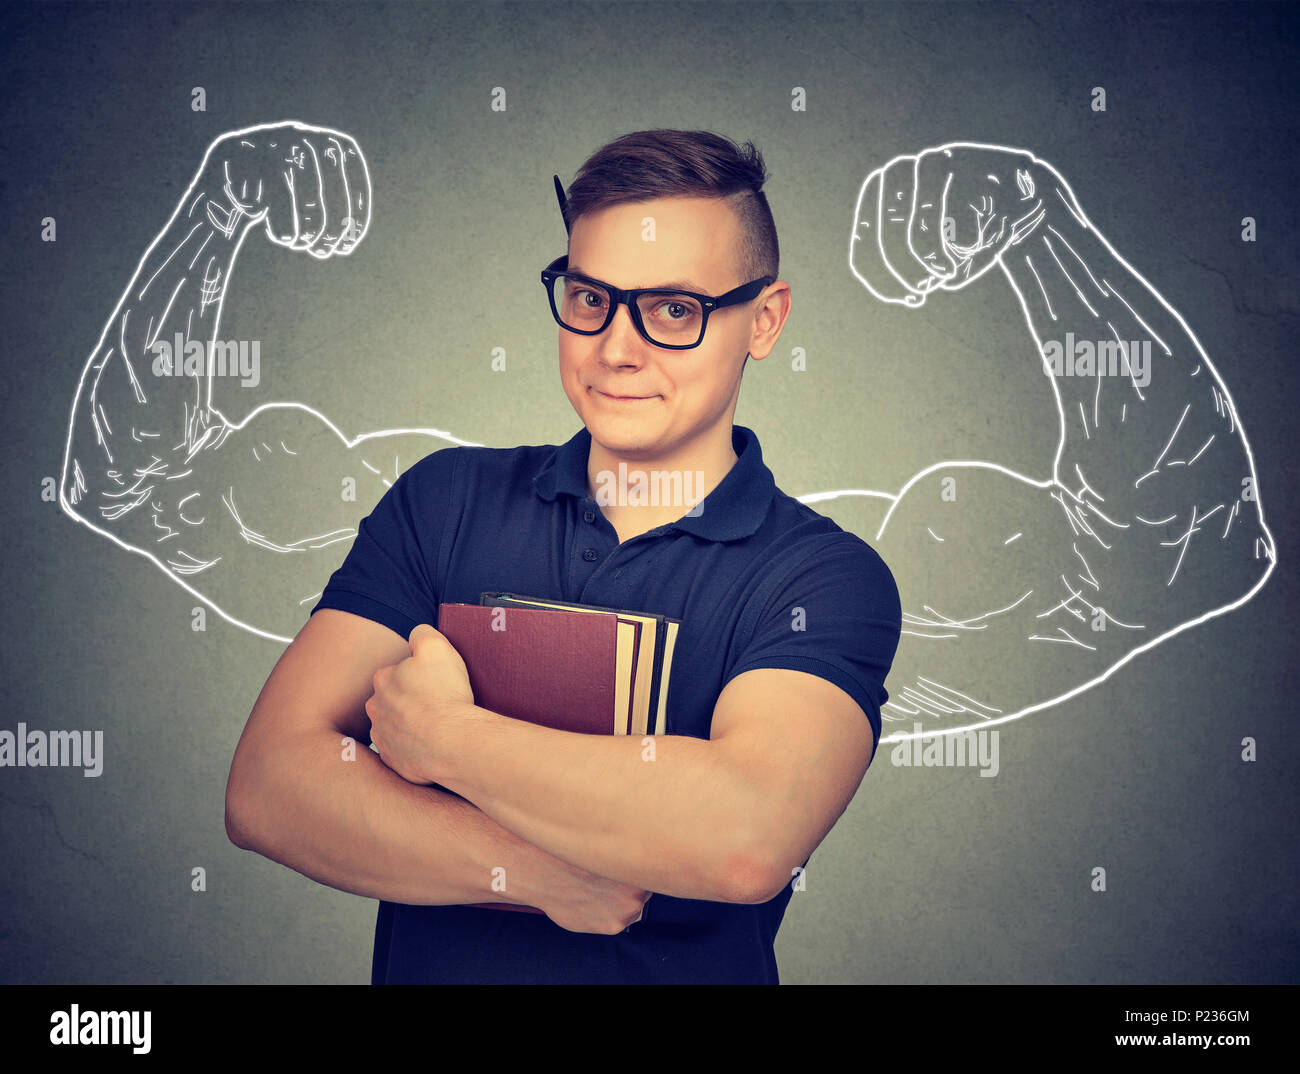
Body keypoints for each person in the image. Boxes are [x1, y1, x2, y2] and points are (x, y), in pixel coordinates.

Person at [223, 128, 903, 984]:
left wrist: (444, 737)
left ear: (763, 321)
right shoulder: (444, 504)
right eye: (590, 299)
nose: (616, 348)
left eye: (672, 310)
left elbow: (746, 838)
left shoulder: (822, 579)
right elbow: (269, 788)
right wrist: (538, 876)